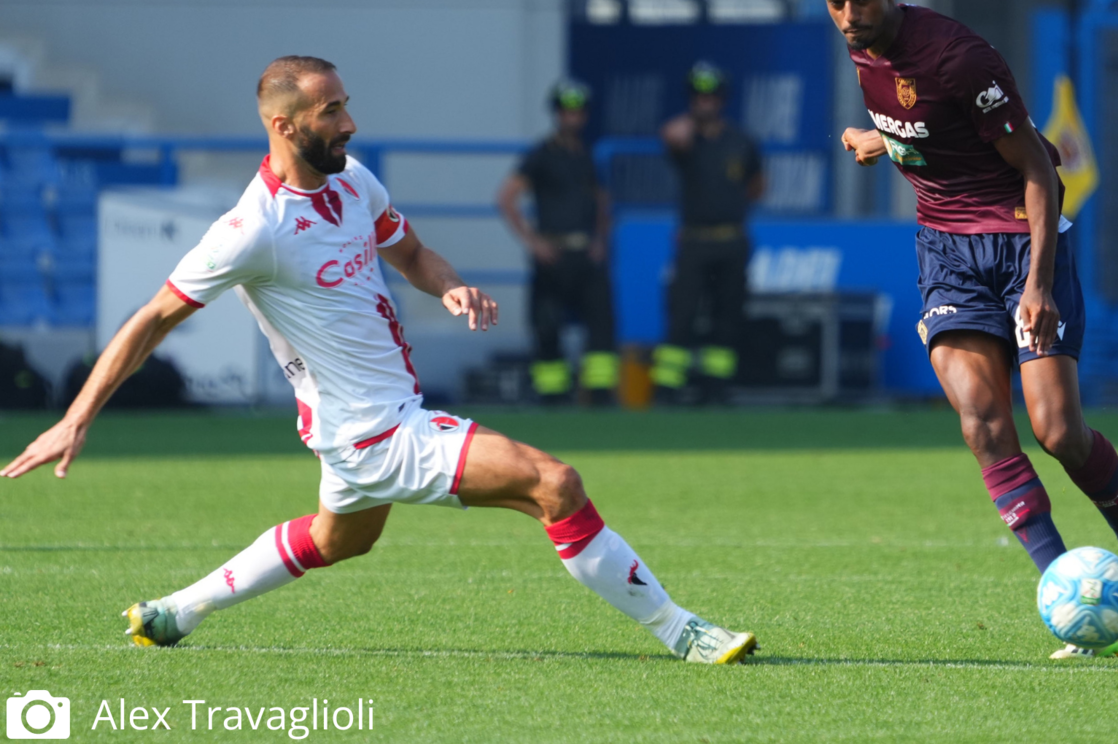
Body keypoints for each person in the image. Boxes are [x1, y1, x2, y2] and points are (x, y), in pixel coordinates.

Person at [0, 56, 756, 665]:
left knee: (340, 539)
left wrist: (452, 285)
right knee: (554, 484)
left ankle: (178, 610)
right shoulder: (249, 231)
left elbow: (414, 252)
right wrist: (74, 419)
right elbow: (151, 320)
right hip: (374, 432)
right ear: (283, 124)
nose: (350, 122)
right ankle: (681, 629)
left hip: (364, 423)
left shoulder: (352, 181)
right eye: (332, 111)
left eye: (345, 104)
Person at [812, 0, 1118, 659]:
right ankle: (1067, 590)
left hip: (1022, 244)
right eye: (836, 1)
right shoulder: (861, 48)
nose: (848, 15)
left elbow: (1040, 169)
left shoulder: (959, 57)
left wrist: (1037, 285)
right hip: (946, 252)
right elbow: (924, 125)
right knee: (980, 416)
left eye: (862, 0)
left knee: (1058, 431)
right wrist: (886, 140)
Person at [497, 80, 617, 405]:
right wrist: (533, 242)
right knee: (547, 326)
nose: (572, 117)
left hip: (586, 253)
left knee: (602, 325)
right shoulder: (541, 155)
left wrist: (600, 240)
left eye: (578, 111)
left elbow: (602, 201)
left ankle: (600, 395)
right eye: (566, 111)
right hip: (553, 252)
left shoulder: (588, 156)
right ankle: (553, 396)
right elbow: (507, 198)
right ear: (557, 114)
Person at [651, 62, 765, 404]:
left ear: (722, 99)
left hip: (731, 238)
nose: (705, 102)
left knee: (727, 316)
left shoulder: (741, 141)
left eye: (711, 96)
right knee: (682, 315)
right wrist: (692, 120)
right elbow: (670, 135)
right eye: (699, 96)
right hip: (694, 240)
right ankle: (668, 390)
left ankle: (715, 390)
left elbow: (757, 185)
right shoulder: (687, 138)